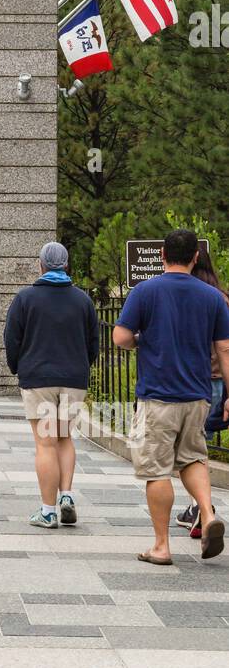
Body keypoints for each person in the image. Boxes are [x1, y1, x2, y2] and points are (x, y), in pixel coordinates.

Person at [113, 228, 229, 564]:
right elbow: (224, 349)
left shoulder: (145, 291)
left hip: (158, 395)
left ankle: (161, 546)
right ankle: (206, 514)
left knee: (157, 470)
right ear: (196, 257)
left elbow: (120, 336)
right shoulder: (212, 297)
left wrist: (139, 341)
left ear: (162, 255)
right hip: (198, 394)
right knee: (193, 458)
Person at [4, 242, 99, 530]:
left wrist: (17, 367)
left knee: (45, 443)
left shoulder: (26, 298)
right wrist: (82, 366)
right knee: (65, 438)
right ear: (66, 265)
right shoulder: (83, 300)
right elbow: (93, 342)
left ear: (40, 264)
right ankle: (67, 494)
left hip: (38, 377)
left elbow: (12, 339)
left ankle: (47, 511)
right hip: (74, 378)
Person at [179, 249, 229, 537]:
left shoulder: (190, 298)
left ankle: (201, 508)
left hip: (192, 380)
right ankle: (197, 507)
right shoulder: (220, 298)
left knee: (192, 451)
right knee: (199, 447)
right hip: (217, 381)